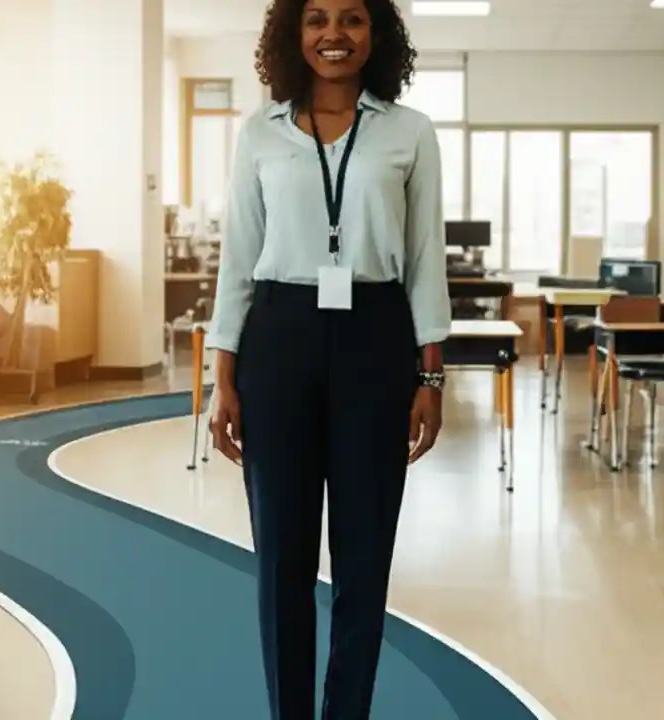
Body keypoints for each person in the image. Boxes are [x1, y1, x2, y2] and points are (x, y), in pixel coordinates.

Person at [206, 0, 450, 717]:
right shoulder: (260, 132)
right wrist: (223, 372)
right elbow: (238, 260)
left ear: (377, 34)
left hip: (376, 339)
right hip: (278, 339)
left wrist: (430, 374)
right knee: (281, 557)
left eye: (351, 19)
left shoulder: (411, 133)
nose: (333, 35)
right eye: (317, 19)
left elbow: (426, 263)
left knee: (364, 555)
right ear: (294, 33)